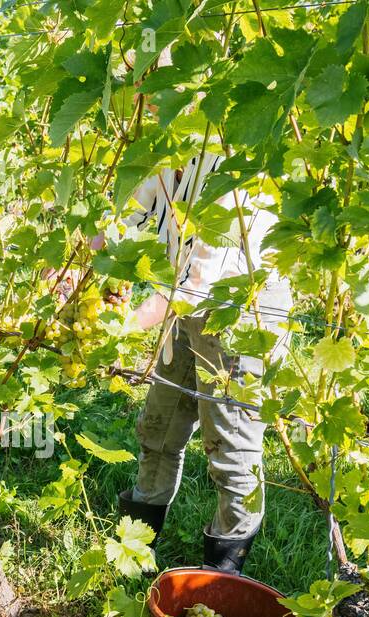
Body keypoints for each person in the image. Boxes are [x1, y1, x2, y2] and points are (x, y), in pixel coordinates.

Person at [114, 151, 292, 574]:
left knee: (231, 451)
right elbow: (125, 224)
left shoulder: (225, 161)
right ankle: (135, 553)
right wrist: (77, 264)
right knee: (159, 424)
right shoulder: (163, 146)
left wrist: (118, 325)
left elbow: (195, 283)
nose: (137, 93)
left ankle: (221, 580)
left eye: (145, 84)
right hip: (184, 306)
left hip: (244, 310)